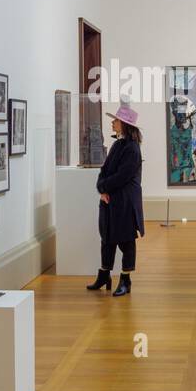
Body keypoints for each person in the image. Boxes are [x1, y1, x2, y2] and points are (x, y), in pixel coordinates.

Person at [87, 103, 145, 297]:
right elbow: (104, 170)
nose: (112, 122)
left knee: (126, 241)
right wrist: (101, 189)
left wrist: (104, 187)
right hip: (110, 200)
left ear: (125, 124)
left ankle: (125, 279)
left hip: (124, 203)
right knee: (107, 238)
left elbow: (123, 176)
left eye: (116, 120)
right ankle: (104, 274)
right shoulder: (118, 144)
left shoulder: (132, 149)